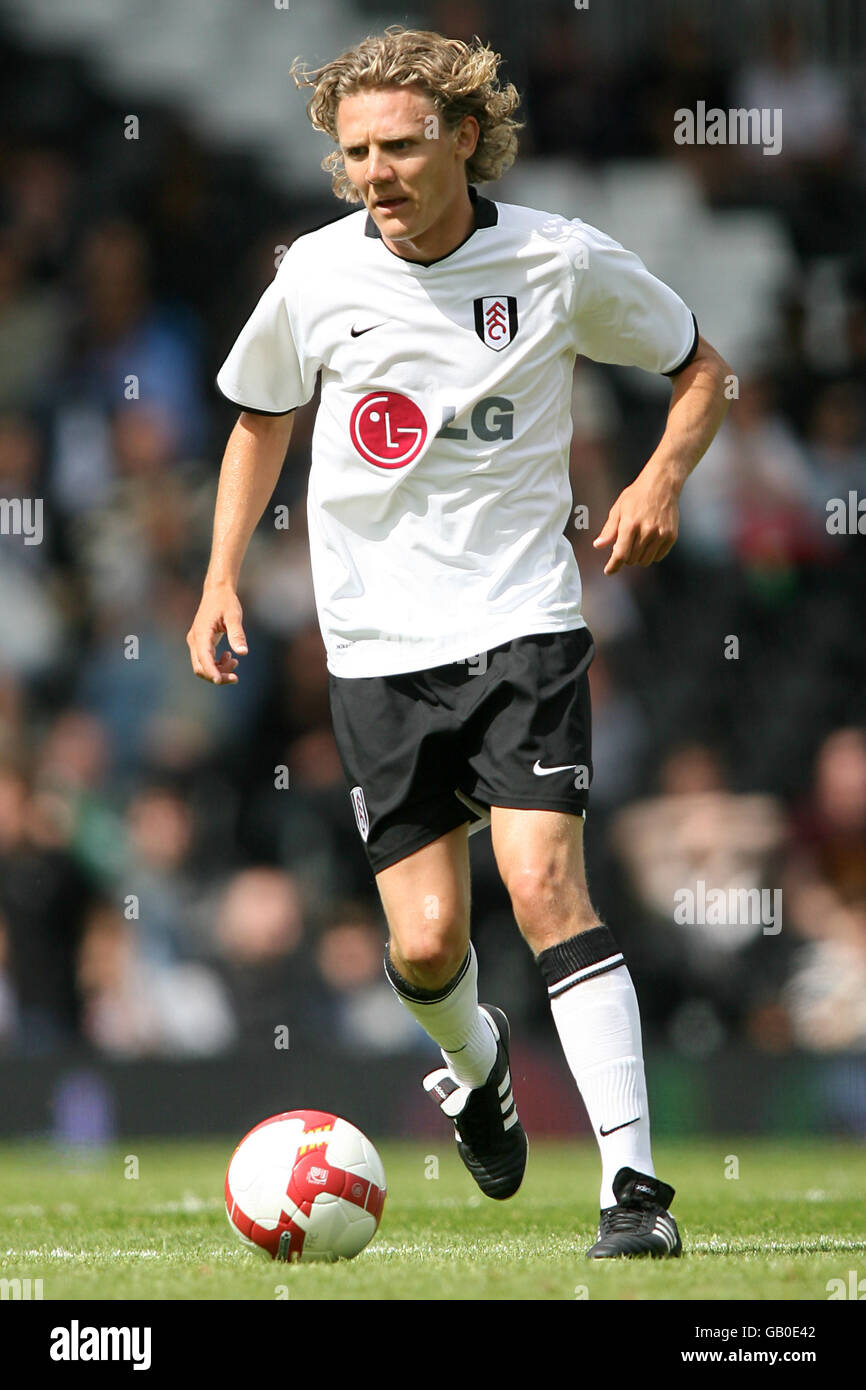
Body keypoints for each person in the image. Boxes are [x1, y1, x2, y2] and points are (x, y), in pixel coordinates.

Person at [187, 26, 732, 1258]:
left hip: (522, 622)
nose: (373, 172)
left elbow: (701, 368)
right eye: (353, 153)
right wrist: (219, 574)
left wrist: (657, 481)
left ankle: (632, 1194)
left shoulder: (555, 259)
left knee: (543, 883)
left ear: (464, 138)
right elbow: (258, 419)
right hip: (375, 645)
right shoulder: (317, 274)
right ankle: (475, 1068)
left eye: (398, 146)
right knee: (427, 943)